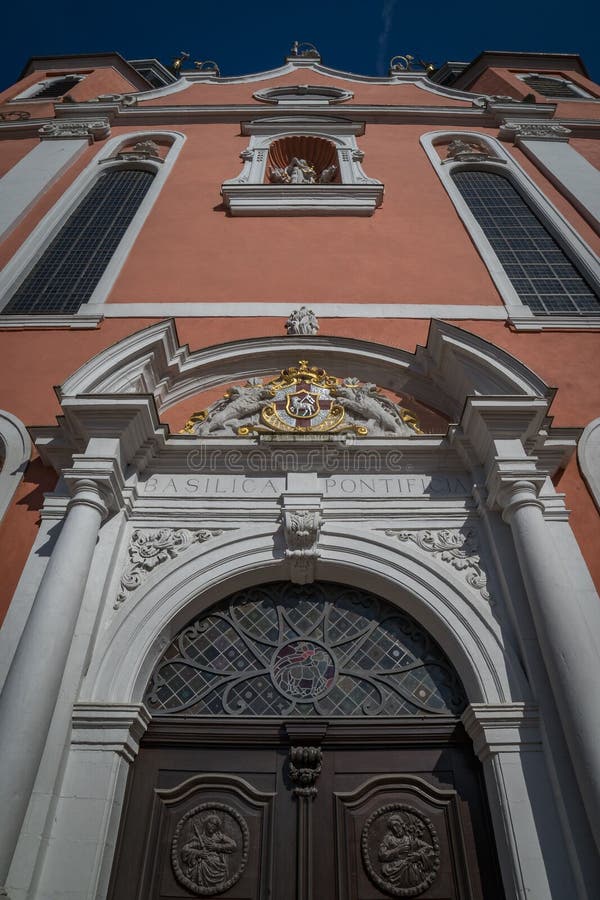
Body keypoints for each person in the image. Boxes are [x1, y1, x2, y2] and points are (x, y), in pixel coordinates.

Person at [378, 813, 435, 888]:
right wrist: (397, 850)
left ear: (402, 824)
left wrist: (419, 855)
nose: (395, 829)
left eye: (396, 825)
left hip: (412, 871)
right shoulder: (388, 839)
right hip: (394, 870)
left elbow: (430, 849)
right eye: (392, 827)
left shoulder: (411, 839)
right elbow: (382, 855)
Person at [181, 813, 237, 888]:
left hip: (218, 867)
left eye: (215, 825)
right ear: (206, 824)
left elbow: (233, 845)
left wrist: (217, 846)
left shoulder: (218, 837)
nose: (212, 826)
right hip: (203, 867)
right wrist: (198, 853)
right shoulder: (199, 839)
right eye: (211, 823)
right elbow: (185, 849)